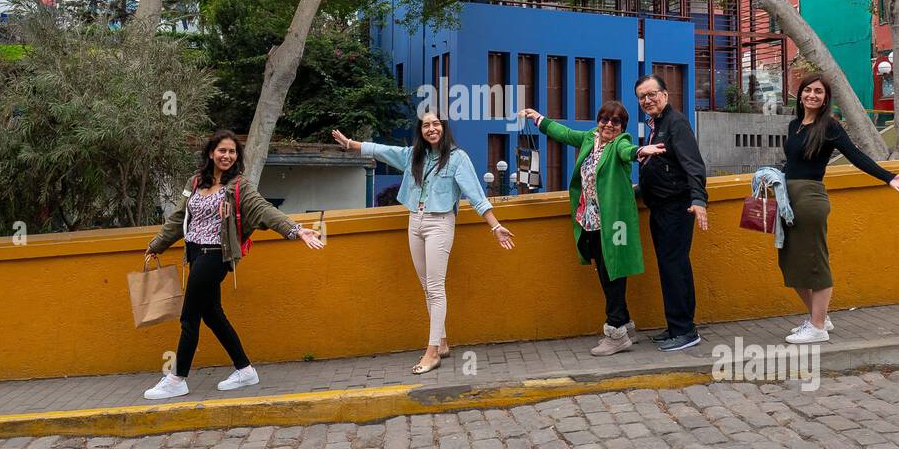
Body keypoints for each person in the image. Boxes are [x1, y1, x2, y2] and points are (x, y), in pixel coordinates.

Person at [141, 129, 325, 399]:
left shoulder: (239, 186)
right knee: (212, 314)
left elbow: (264, 210)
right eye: (222, 150)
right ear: (210, 153)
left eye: (232, 152)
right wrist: (157, 244)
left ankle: (177, 378)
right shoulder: (195, 183)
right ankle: (245, 370)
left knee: (189, 317)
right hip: (193, 254)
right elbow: (179, 218)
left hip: (215, 256)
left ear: (237, 157)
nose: (227, 156)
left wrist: (295, 230)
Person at [332, 113, 514, 375]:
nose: (431, 128)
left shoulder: (457, 158)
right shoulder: (413, 156)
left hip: (440, 223)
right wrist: (351, 144)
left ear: (443, 128)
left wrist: (495, 226)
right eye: (426, 125)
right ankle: (442, 341)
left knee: (436, 287)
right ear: (421, 130)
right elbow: (383, 151)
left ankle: (431, 352)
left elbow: (476, 195)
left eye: (436, 124)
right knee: (426, 286)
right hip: (414, 222)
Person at [781, 74, 899, 344]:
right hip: (788, 198)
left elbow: (855, 155)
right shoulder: (794, 124)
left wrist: (888, 177)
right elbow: (792, 163)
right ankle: (819, 317)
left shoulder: (829, 126)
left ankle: (817, 327)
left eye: (819, 91)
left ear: (826, 98)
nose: (812, 95)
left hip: (810, 199)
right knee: (790, 262)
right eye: (808, 90)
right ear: (801, 94)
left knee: (815, 261)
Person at [521, 102, 643, 356]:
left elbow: (627, 151)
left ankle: (616, 331)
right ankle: (626, 326)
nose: (609, 125)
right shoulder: (590, 138)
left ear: (622, 128)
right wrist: (539, 119)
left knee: (614, 272)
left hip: (615, 223)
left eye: (616, 122)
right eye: (604, 119)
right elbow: (564, 134)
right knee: (608, 271)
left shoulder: (620, 143)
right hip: (591, 221)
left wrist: (640, 151)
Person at [632, 74, 710, 352]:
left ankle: (686, 330)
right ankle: (676, 326)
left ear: (665, 95)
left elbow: (693, 165)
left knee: (675, 267)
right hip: (661, 207)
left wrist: (699, 199)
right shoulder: (657, 125)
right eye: (642, 96)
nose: (647, 100)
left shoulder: (676, 123)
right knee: (669, 267)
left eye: (652, 94)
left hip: (677, 208)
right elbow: (665, 164)